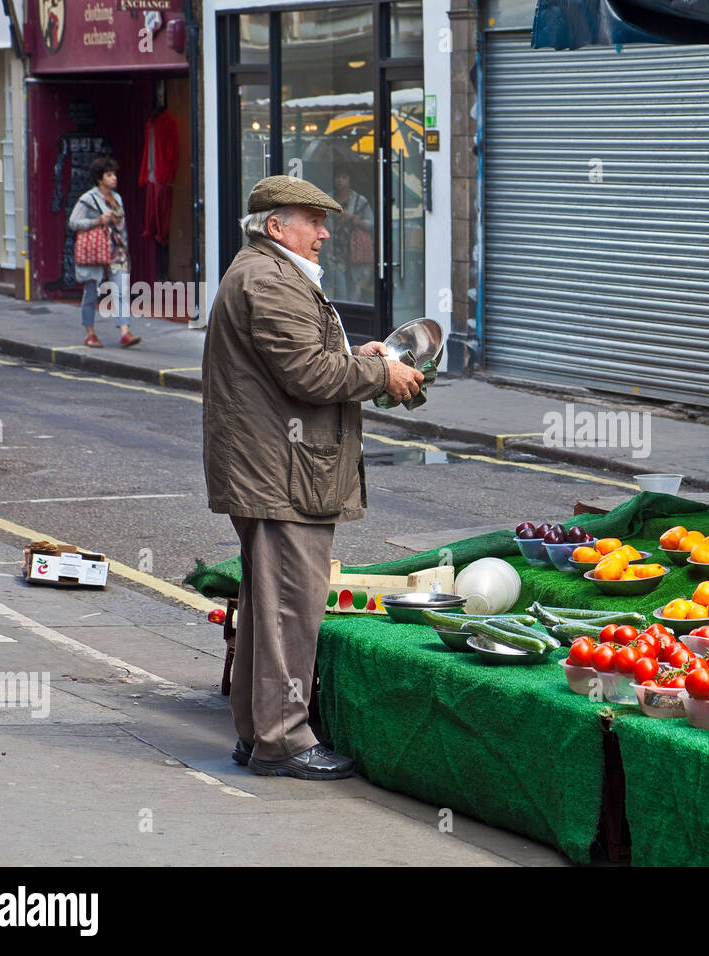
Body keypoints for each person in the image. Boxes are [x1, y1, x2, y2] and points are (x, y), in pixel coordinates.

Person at [201, 174, 424, 780]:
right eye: (313, 220)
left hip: (278, 468)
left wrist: (367, 358)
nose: (326, 231)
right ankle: (284, 742)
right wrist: (381, 377)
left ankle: (259, 734)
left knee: (269, 606)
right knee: (291, 612)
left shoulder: (267, 271)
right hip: (281, 473)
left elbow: (312, 362)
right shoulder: (268, 280)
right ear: (276, 227)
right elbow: (311, 375)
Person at [67, 156, 141, 348]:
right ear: (100, 179)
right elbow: (73, 222)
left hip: (117, 252)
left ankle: (125, 332)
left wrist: (125, 248)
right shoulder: (88, 199)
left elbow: (121, 227)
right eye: (109, 175)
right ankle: (90, 333)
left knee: (121, 292)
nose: (114, 178)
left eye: (114, 174)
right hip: (97, 253)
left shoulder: (117, 198)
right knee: (91, 293)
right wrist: (97, 221)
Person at [321, 168, 375, 304]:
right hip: (334, 248)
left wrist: (357, 220)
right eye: (337, 177)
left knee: (355, 285)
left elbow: (371, 224)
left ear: (350, 180)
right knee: (340, 287)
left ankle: (352, 309)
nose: (340, 181)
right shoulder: (327, 199)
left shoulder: (359, 201)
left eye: (344, 177)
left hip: (354, 248)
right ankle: (344, 310)